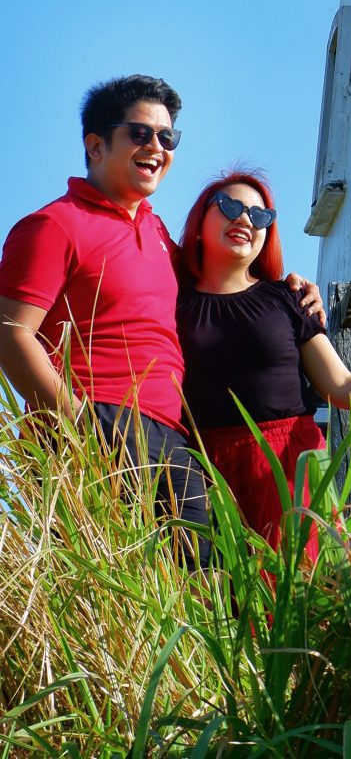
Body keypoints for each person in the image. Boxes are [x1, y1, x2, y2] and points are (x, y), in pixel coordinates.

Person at [0, 75, 324, 564]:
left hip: (169, 433)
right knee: (195, 578)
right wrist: (77, 421)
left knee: (204, 587)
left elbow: (218, 280)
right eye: (140, 133)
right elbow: (10, 332)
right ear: (95, 145)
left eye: (168, 137)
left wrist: (290, 288)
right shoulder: (53, 226)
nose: (157, 146)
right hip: (98, 416)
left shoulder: (153, 232)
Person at [176, 169, 351, 558]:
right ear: (200, 222)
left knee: (300, 595)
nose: (245, 219)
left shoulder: (288, 299)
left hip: (288, 463)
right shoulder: (171, 303)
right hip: (203, 470)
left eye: (260, 215)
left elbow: (338, 385)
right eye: (230, 206)